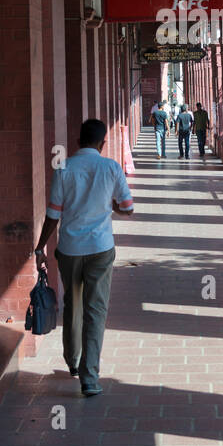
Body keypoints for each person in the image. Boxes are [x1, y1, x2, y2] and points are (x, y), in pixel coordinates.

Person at [34, 118, 134, 397]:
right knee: (95, 310)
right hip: (100, 248)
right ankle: (90, 378)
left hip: (70, 249)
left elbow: (53, 215)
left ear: (78, 141)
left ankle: (72, 360)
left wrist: (40, 247)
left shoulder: (63, 168)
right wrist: (112, 206)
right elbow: (128, 207)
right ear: (102, 143)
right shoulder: (111, 167)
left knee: (72, 302)